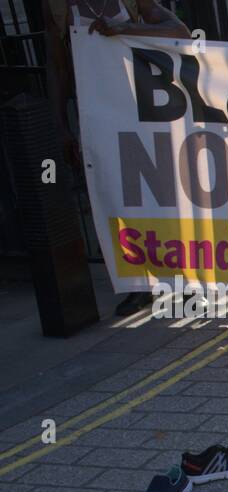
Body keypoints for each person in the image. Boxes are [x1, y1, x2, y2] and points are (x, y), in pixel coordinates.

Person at [43, 1, 190, 317]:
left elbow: (179, 31)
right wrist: (61, 125)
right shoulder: (57, 6)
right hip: (99, 116)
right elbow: (56, 67)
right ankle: (139, 285)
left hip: (146, 111)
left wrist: (125, 28)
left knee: (163, 195)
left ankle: (182, 281)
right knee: (116, 197)